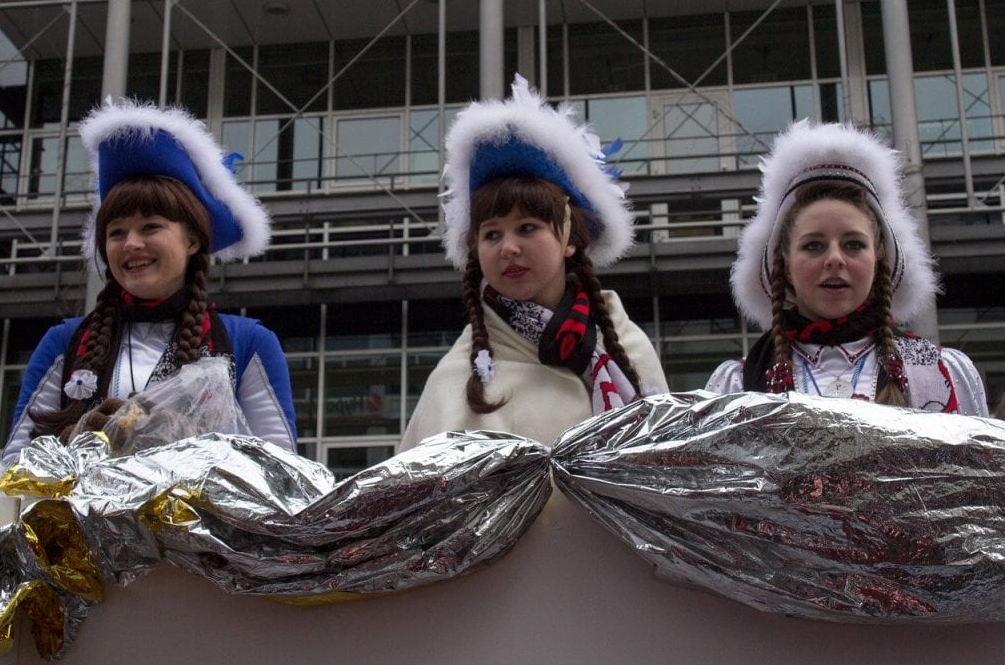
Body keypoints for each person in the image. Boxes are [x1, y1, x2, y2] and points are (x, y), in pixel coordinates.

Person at [3, 100, 297, 462]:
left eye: (150, 227)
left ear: (192, 240)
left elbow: (283, 469)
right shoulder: (64, 342)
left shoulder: (248, 343)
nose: (131, 244)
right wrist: (79, 444)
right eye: (116, 232)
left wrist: (192, 448)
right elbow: (13, 468)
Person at [398, 75, 668, 451]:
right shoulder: (456, 379)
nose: (508, 247)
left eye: (527, 227)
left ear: (569, 240)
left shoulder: (628, 346)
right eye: (491, 234)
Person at [706, 120, 988, 416]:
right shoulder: (736, 387)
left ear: (879, 259)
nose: (835, 259)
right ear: (785, 265)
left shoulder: (941, 374)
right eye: (813, 245)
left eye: (853, 244)